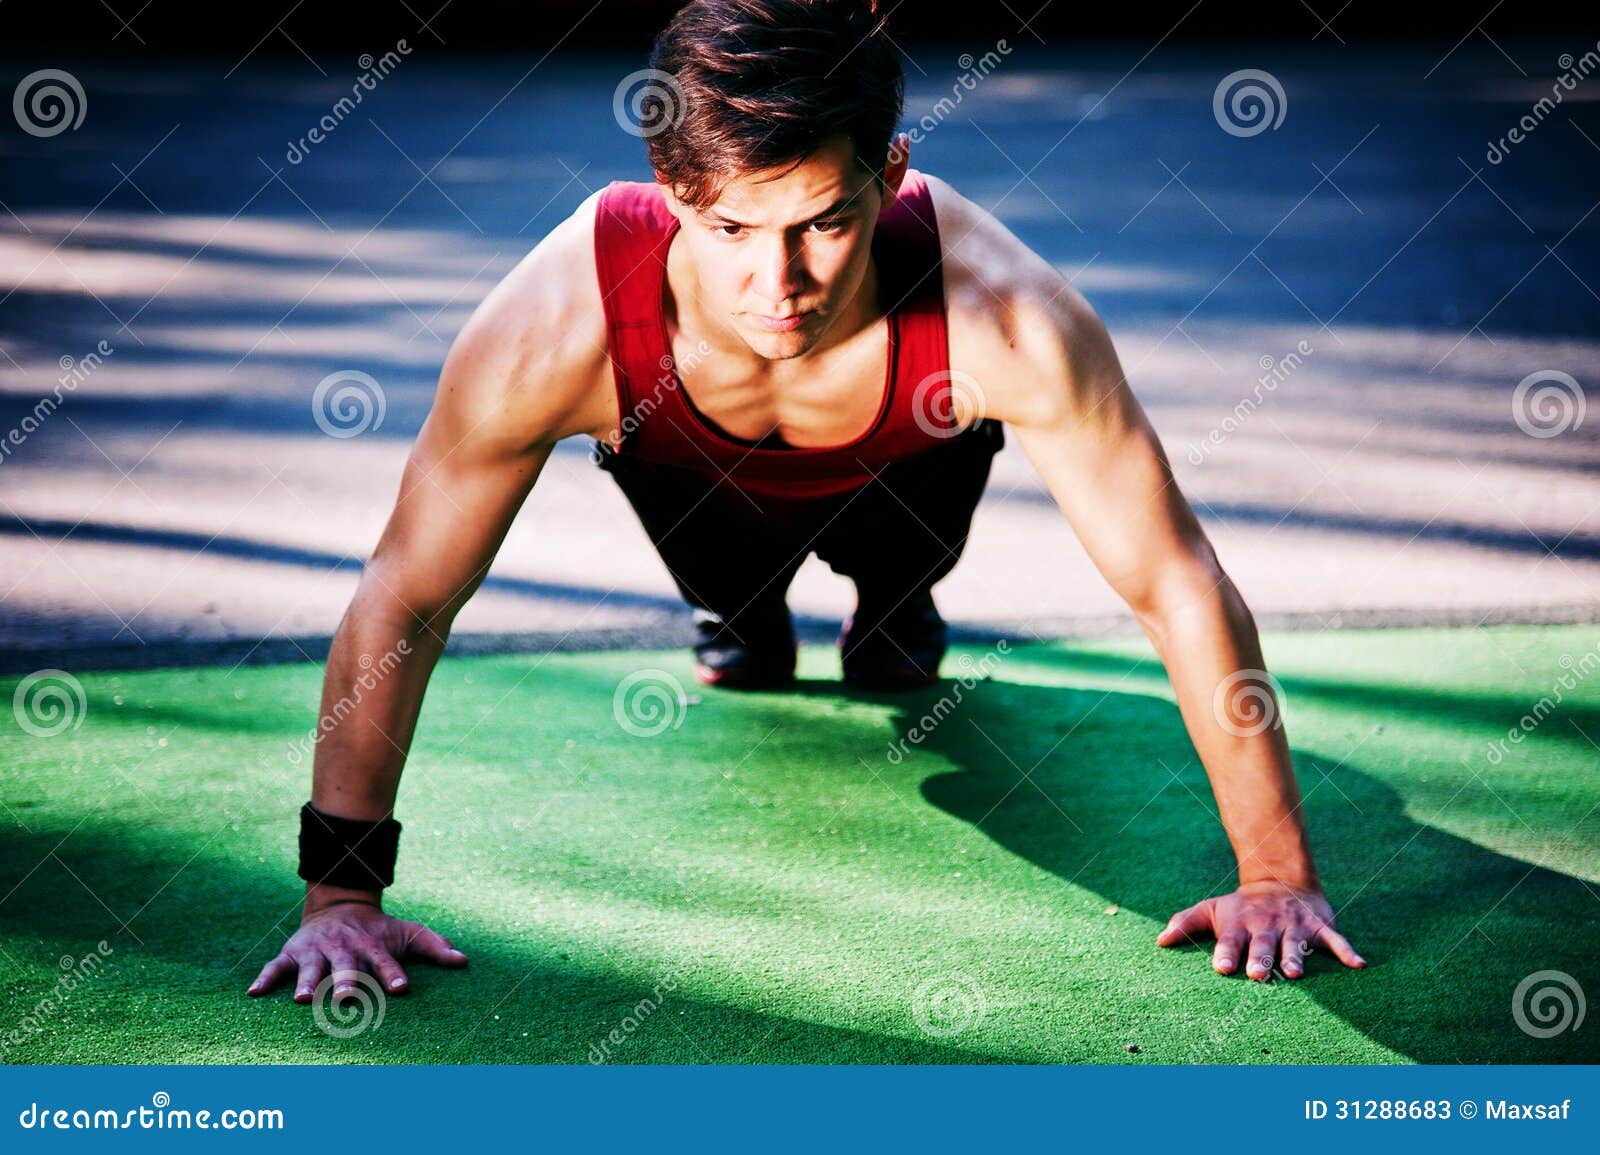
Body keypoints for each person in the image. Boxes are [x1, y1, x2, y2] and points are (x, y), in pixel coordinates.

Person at [248, 0, 1366, 1010]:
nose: (777, 285)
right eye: (731, 229)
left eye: (824, 222)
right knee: (743, 633)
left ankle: (893, 612)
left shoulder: (1006, 316)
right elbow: (406, 598)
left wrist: (1275, 877)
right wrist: (340, 897)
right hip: (698, 495)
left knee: (897, 641)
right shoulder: (556, 320)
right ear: (669, 184)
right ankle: (744, 618)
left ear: (891, 168)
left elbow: (1173, 580)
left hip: (908, 487)